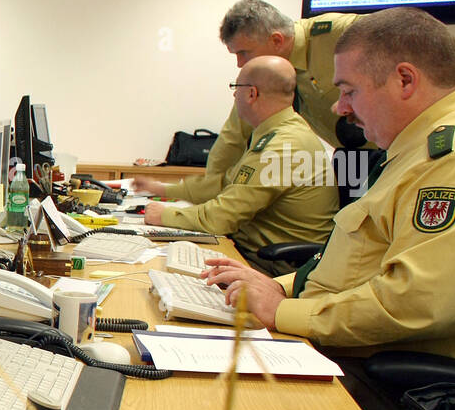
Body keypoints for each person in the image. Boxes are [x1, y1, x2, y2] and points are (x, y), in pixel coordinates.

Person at [203, 7, 455, 371]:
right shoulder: (413, 145)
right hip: (344, 340)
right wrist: (281, 288)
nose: (340, 108)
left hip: (391, 373)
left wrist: (284, 311)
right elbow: (359, 262)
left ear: (404, 80)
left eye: (350, 91)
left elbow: (420, 304)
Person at [134, 0, 363, 202]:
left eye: (244, 53)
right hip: (351, 155)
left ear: (276, 40)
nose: (240, 63)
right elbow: (232, 137)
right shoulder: (260, 80)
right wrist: (210, 190)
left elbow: (395, 36)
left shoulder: (339, 33)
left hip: (390, 151)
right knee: (352, 229)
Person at [144, 56, 337, 274]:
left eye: (236, 88)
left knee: (160, 273)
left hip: (272, 265)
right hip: (256, 252)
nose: (235, 95)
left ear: (251, 93)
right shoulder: (278, 132)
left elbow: (223, 217)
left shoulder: (283, 146)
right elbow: (226, 185)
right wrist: (168, 191)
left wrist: (164, 215)